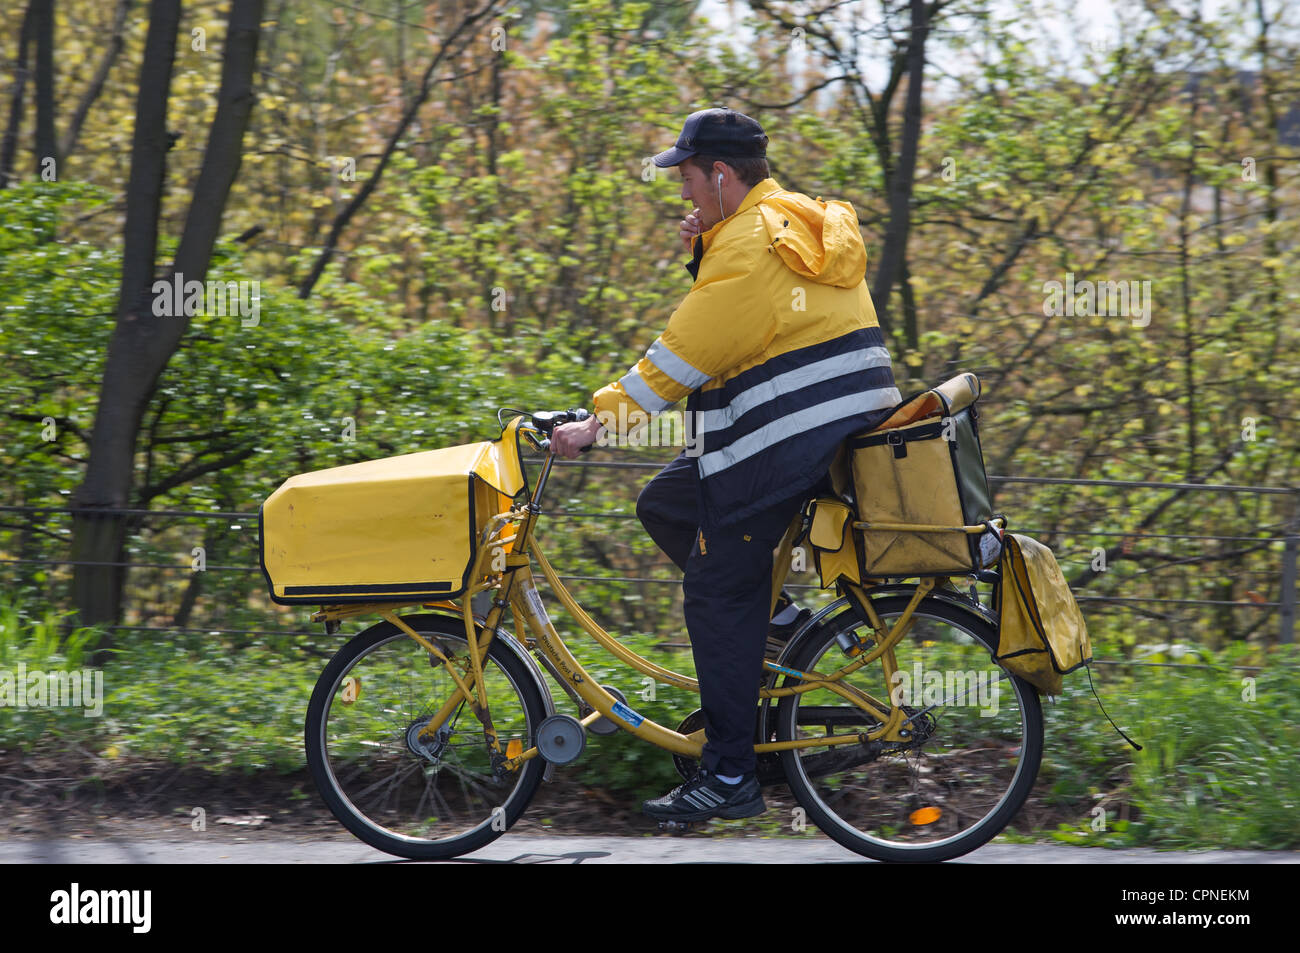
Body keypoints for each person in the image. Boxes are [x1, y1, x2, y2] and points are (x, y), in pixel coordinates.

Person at [552, 107, 900, 823]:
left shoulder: (748, 244)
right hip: (828, 423)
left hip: (789, 437)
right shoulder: (786, 219)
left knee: (715, 591)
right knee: (667, 504)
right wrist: (706, 244)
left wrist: (596, 425)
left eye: (686, 176)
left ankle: (731, 773)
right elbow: (755, 320)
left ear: (721, 174)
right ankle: (776, 619)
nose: (681, 191)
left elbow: (688, 353)